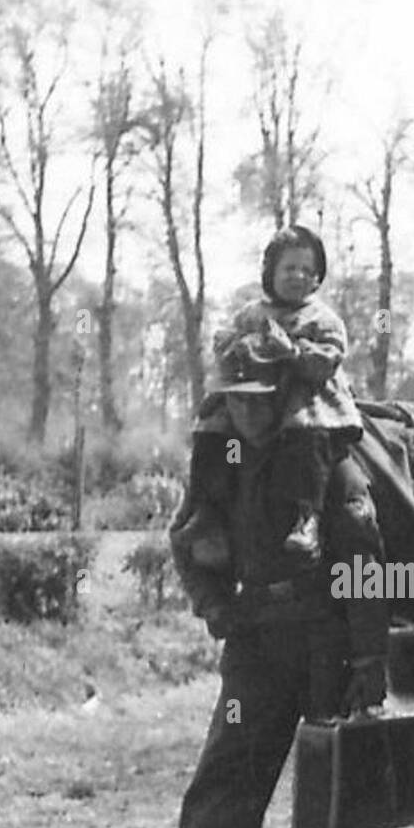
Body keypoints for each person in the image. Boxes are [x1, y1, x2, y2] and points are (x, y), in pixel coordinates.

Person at [156, 348, 389, 828]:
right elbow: (188, 539)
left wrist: (369, 660)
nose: (247, 411)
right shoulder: (221, 464)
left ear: (281, 399)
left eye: (259, 399)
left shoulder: (327, 465)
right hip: (255, 639)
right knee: (229, 765)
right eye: (235, 399)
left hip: (325, 638)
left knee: (328, 769)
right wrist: (213, 605)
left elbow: (364, 564)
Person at [176, 225, 362, 571]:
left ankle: (307, 517)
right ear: (270, 272)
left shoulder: (324, 319)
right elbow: (226, 345)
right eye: (289, 268)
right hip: (254, 401)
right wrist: (236, 348)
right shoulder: (251, 313)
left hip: (309, 395)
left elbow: (326, 360)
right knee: (212, 424)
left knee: (304, 428)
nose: (298, 276)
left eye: (308, 270)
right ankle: (206, 508)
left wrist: (291, 351)